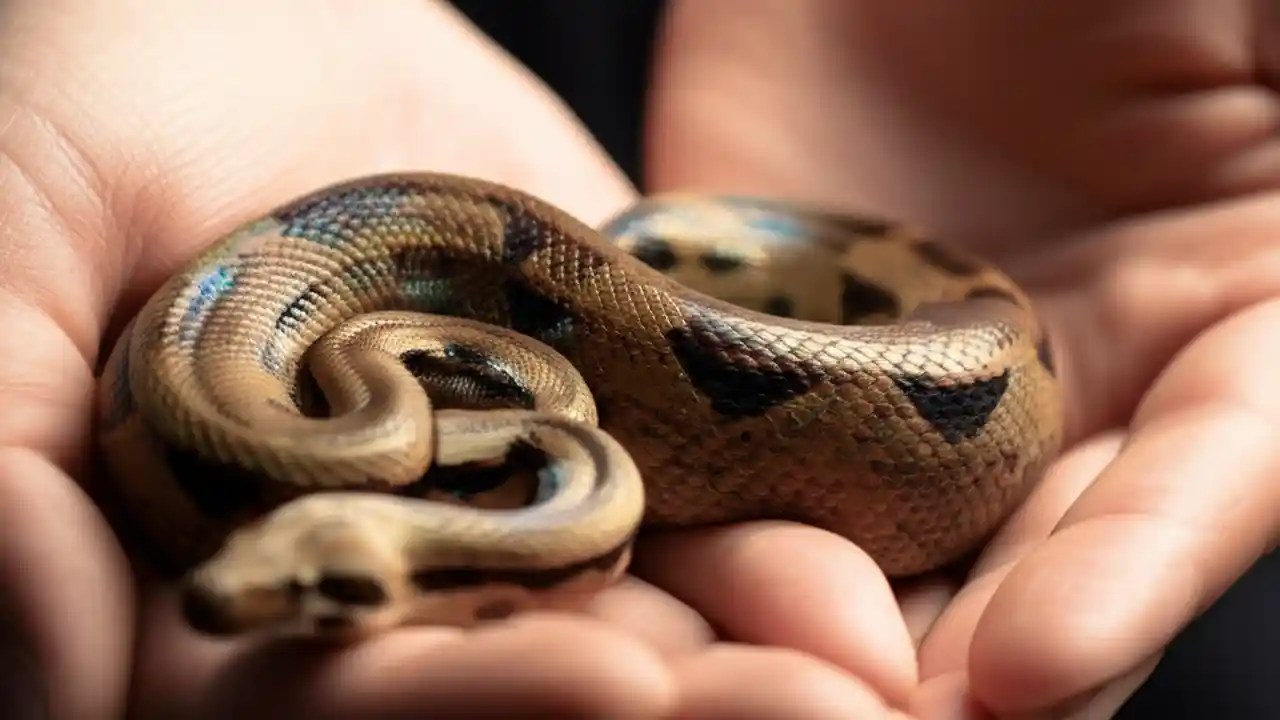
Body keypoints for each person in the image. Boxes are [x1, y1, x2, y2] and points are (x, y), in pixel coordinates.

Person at [0, 1, 1275, 717]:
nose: (245, 592)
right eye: (299, 584)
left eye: (294, 584)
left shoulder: (452, 413)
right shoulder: (489, 411)